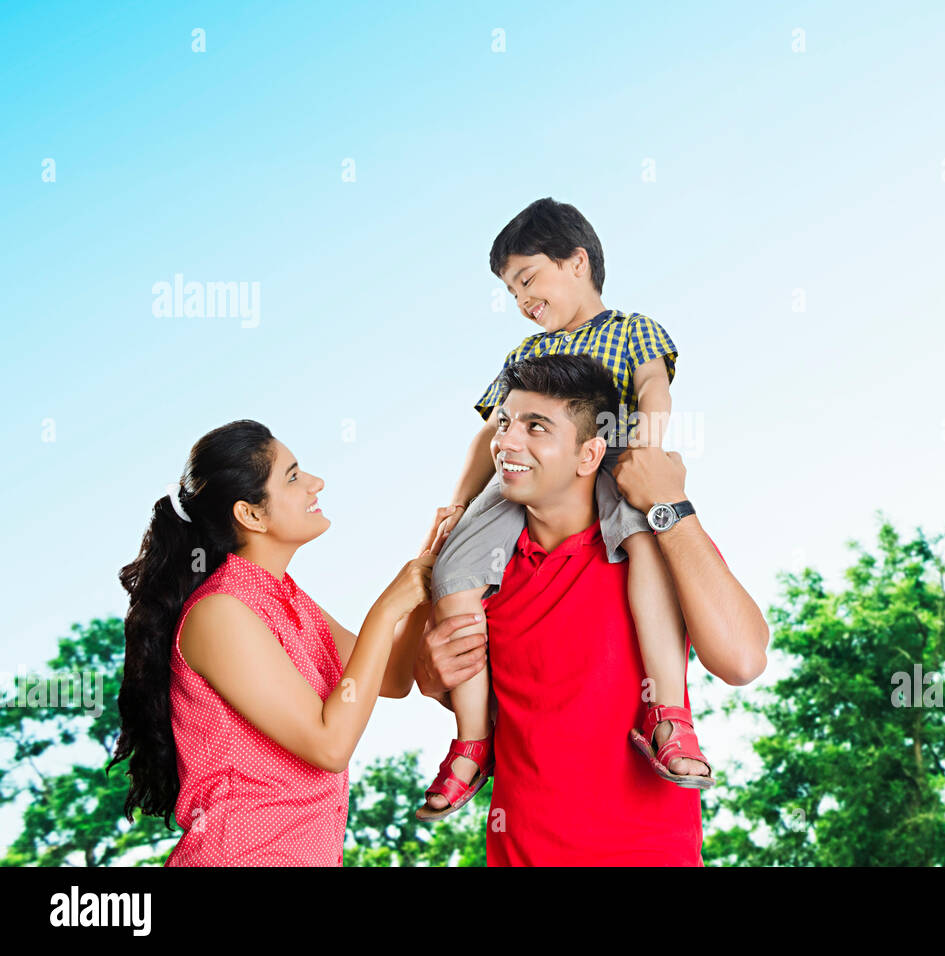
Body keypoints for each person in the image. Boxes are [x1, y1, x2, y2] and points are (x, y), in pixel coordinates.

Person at [401, 354, 770, 864]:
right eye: (505, 423)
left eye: (536, 428)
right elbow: (451, 691)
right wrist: (429, 673)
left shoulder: (659, 552)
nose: (507, 443)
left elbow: (743, 660)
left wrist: (671, 503)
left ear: (589, 453)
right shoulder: (483, 569)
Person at [414, 197, 713, 820]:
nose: (520, 298)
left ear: (576, 262)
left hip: (609, 465)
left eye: (527, 279)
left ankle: (669, 713)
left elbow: (654, 387)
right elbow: (489, 431)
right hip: (522, 481)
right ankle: (473, 736)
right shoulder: (527, 355)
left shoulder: (631, 329)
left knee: (646, 553)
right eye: (509, 289)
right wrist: (458, 504)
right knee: (453, 570)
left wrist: (646, 457)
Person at [111, 419, 477, 866]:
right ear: (250, 514)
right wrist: (386, 609)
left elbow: (392, 677)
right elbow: (329, 746)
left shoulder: (285, 597)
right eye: (293, 476)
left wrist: (423, 570)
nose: (315, 483)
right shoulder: (221, 614)